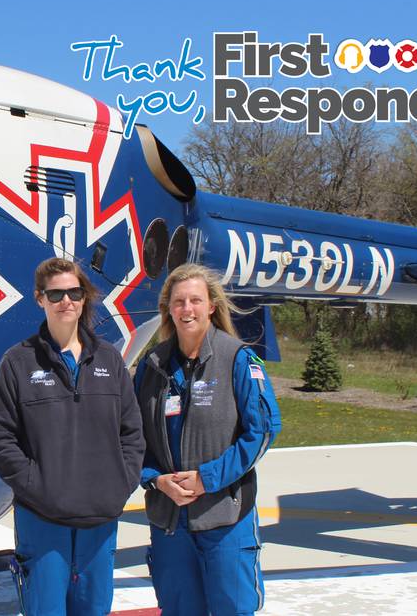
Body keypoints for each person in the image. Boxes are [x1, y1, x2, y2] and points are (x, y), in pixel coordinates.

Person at [0, 257, 144, 616]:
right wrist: (37, 487)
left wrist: (121, 484)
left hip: (99, 518)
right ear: (39, 298)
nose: (66, 301)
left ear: (84, 297)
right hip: (43, 519)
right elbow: (0, 437)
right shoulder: (18, 362)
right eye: (55, 294)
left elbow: (132, 432)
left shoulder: (110, 360)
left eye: (74, 292)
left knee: (94, 610)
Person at [135, 263, 282, 616]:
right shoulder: (152, 366)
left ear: (212, 306)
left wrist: (208, 478)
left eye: (195, 301)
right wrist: (155, 480)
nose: (187, 309)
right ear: (168, 309)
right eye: (179, 302)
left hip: (225, 517)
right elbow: (132, 437)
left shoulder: (238, 359)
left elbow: (262, 430)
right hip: (170, 522)